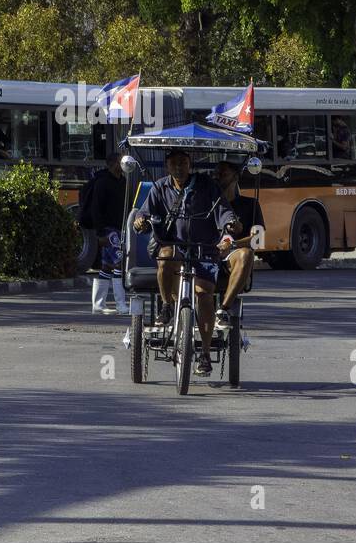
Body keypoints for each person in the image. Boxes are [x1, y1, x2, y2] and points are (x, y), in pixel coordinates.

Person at [132, 148, 241, 378]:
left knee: (204, 294)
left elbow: (225, 212)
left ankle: (204, 353)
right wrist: (140, 221)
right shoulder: (159, 188)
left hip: (204, 251)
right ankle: (166, 307)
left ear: (190, 165)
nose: (179, 168)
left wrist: (230, 223)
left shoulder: (206, 185)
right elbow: (143, 215)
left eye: (183, 163)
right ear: (167, 166)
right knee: (165, 256)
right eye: (174, 164)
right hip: (176, 248)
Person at [214, 160, 263, 328]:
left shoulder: (250, 205)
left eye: (223, 174)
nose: (219, 178)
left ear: (235, 176)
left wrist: (233, 245)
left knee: (246, 253)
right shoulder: (208, 204)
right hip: (205, 254)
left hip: (231, 258)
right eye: (216, 174)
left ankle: (223, 309)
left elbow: (258, 238)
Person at [80, 152, 126, 314]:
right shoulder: (102, 182)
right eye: (122, 161)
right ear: (114, 164)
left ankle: (98, 304)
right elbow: (96, 210)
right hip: (108, 230)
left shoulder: (123, 181)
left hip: (120, 229)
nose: (125, 164)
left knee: (107, 266)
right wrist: (100, 234)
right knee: (119, 263)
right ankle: (121, 304)